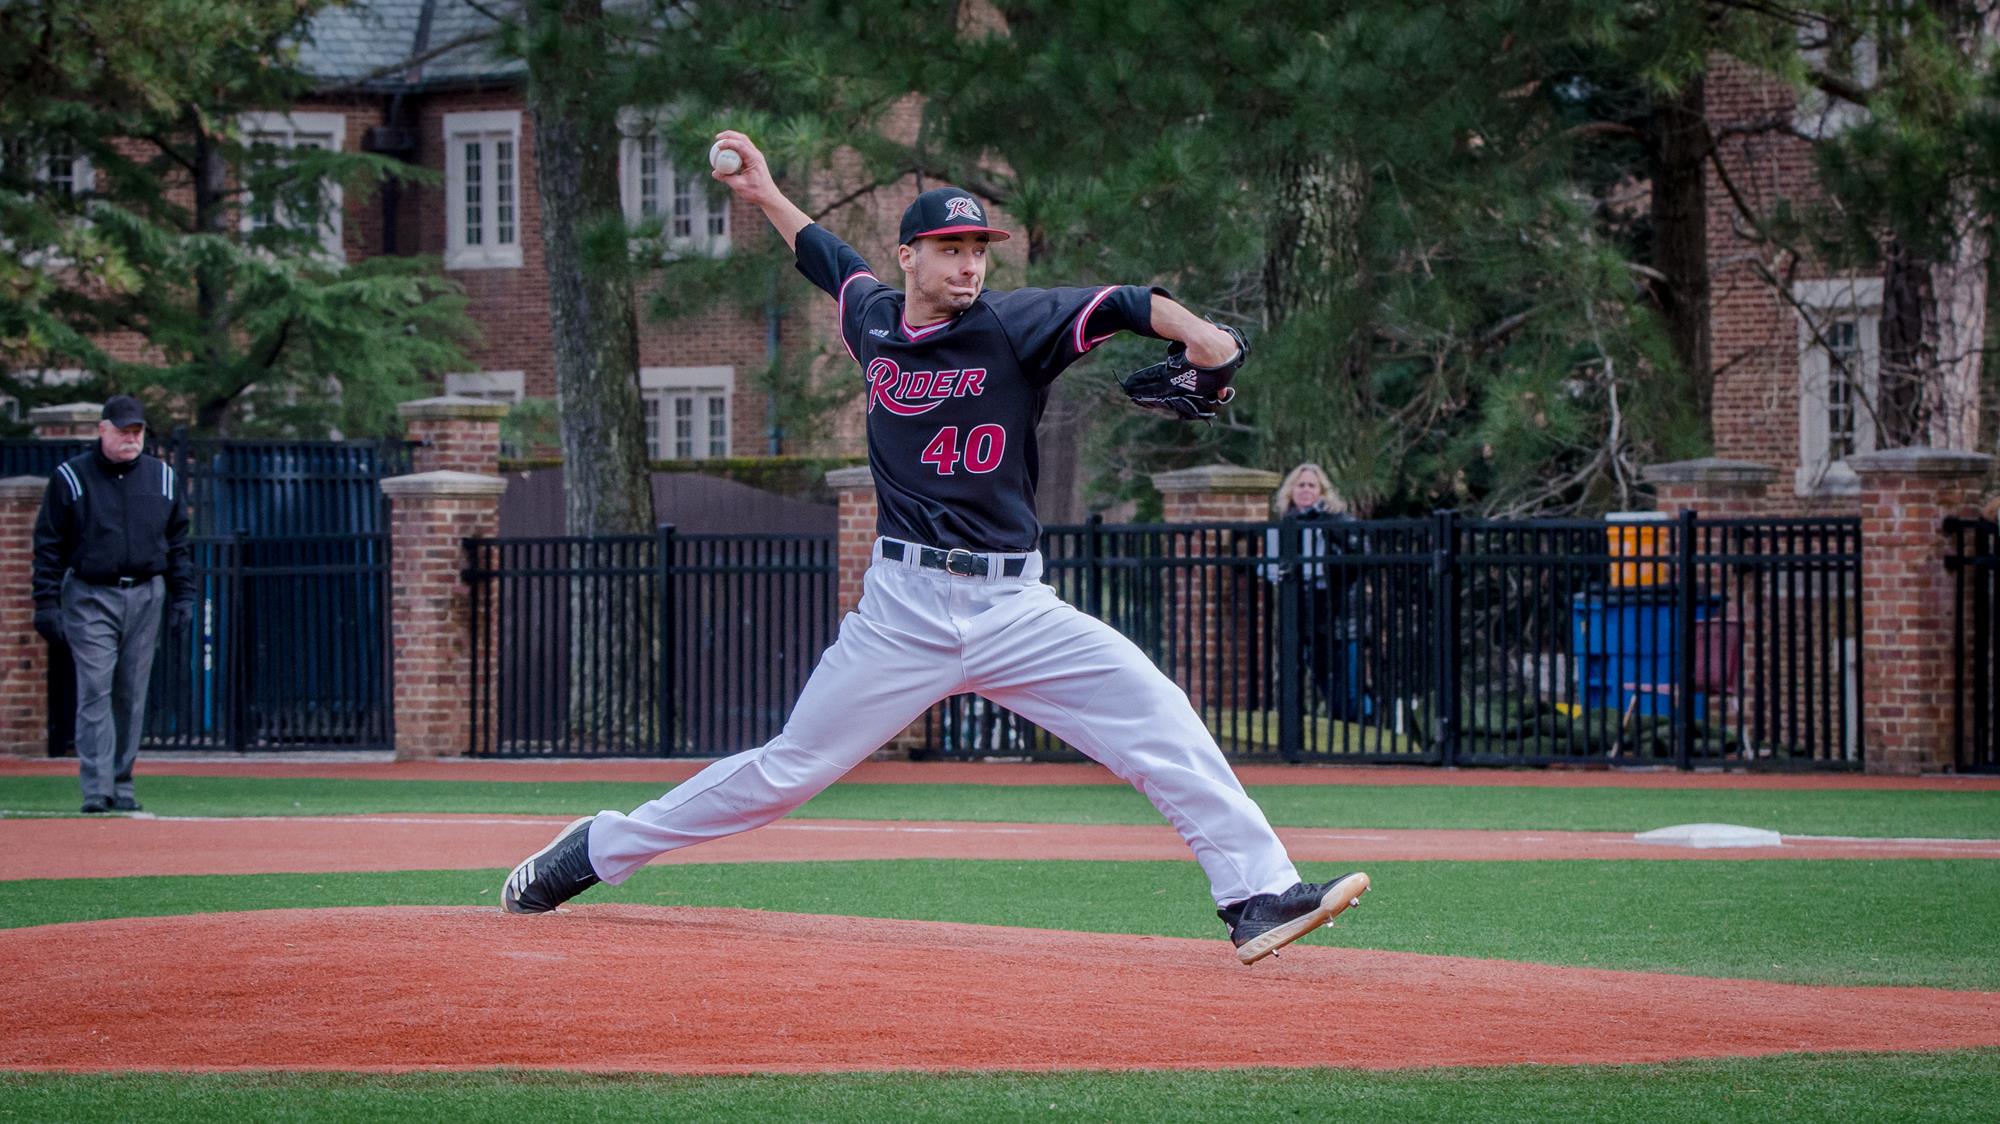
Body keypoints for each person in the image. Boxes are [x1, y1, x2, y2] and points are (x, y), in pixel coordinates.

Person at [502, 131, 1369, 964]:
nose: (968, 264)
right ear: (910, 256)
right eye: (949, 247)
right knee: (785, 773)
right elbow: (824, 255)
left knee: (1160, 720)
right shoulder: (874, 318)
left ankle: (1258, 895)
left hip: (1013, 607)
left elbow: (1126, 304)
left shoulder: (1013, 326)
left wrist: (1210, 345)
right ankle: (595, 850)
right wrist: (762, 190)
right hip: (902, 613)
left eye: (978, 248)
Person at [31, 396, 193, 814]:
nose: (131, 438)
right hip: (89, 592)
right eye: (123, 430)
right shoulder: (70, 477)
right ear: (102, 430)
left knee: (131, 693)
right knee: (95, 688)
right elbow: (48, 545)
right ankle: (96, 788)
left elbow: (178, 544)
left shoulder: (163, 478)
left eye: (137, 431)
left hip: (146, 592)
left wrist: (184, 596)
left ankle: (122, 781)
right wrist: (46, 603)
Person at [1267, 463, 1365, 723]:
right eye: (1300, 485)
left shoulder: (1338, 520)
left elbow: (1359, 557)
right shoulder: (1285, 524)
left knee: (1346, 678)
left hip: (1336, 606)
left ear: (1322, 490)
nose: (1306, 490)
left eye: (1312, 485)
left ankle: (1360, 723)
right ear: (1290, 490)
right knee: (1309, 670)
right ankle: (1296, 732)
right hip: (1299, 603)